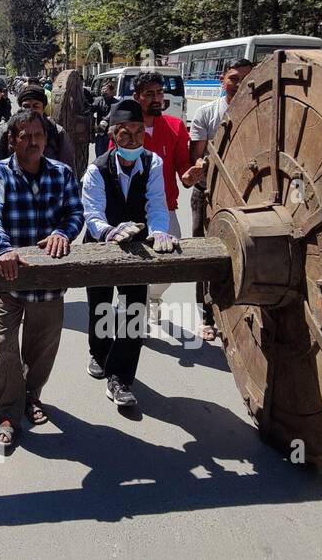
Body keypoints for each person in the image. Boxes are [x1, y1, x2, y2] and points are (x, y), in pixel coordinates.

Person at [0, 109, 85, 452]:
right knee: (6, 349)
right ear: (12, 141)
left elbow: (75, 213)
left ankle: (31, 397)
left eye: (38, 135)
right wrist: (2, 249)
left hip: (49, 282)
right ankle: (8, 416)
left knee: (41, 349)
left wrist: (63, 233)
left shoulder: (62, 174)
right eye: (25, 136)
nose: (33, 142)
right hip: (8, 279)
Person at [80, 98, 177, 410]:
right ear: (113, 135)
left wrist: (160, 230)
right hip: (101, 243)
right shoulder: (96, 169)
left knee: (135, 307)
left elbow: (157, 204)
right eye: (125, 133)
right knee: (100, 304)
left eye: (138, 133)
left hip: (137, 246)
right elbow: (92, 213)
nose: (133, 139)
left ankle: (121, 378)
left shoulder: (152, 163)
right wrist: (109, 231)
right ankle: (98, 351)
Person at [183, 57, 253, 341]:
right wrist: (201, 165)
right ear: (223, 79)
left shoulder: (265, 111)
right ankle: (206, 316)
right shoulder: (207, 114)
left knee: (249, 256)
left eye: (247, 79)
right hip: (209, 194)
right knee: (205, 255)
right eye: (234, 78)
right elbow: (195, 155)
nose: (240, 85)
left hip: (248, 199)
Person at [125, 71, 198, 320]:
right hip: (132, 211)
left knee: (170, 264)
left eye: (159, 93)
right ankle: (137, 308)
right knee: (134, 263)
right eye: (149, 94)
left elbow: (183, 169)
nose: (157, 98)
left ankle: (151, 296)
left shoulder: (176, 126)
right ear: (137, 97)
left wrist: (191, 175)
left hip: (166, 208)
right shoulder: (125, 129)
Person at [0, 85, 67, 210]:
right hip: (12, 197)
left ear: (43, 108)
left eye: (36, 106)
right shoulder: (7, 129)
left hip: (48, 197)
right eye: (26, 106)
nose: (31, 110)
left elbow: (68, 169)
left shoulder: (57, 132)